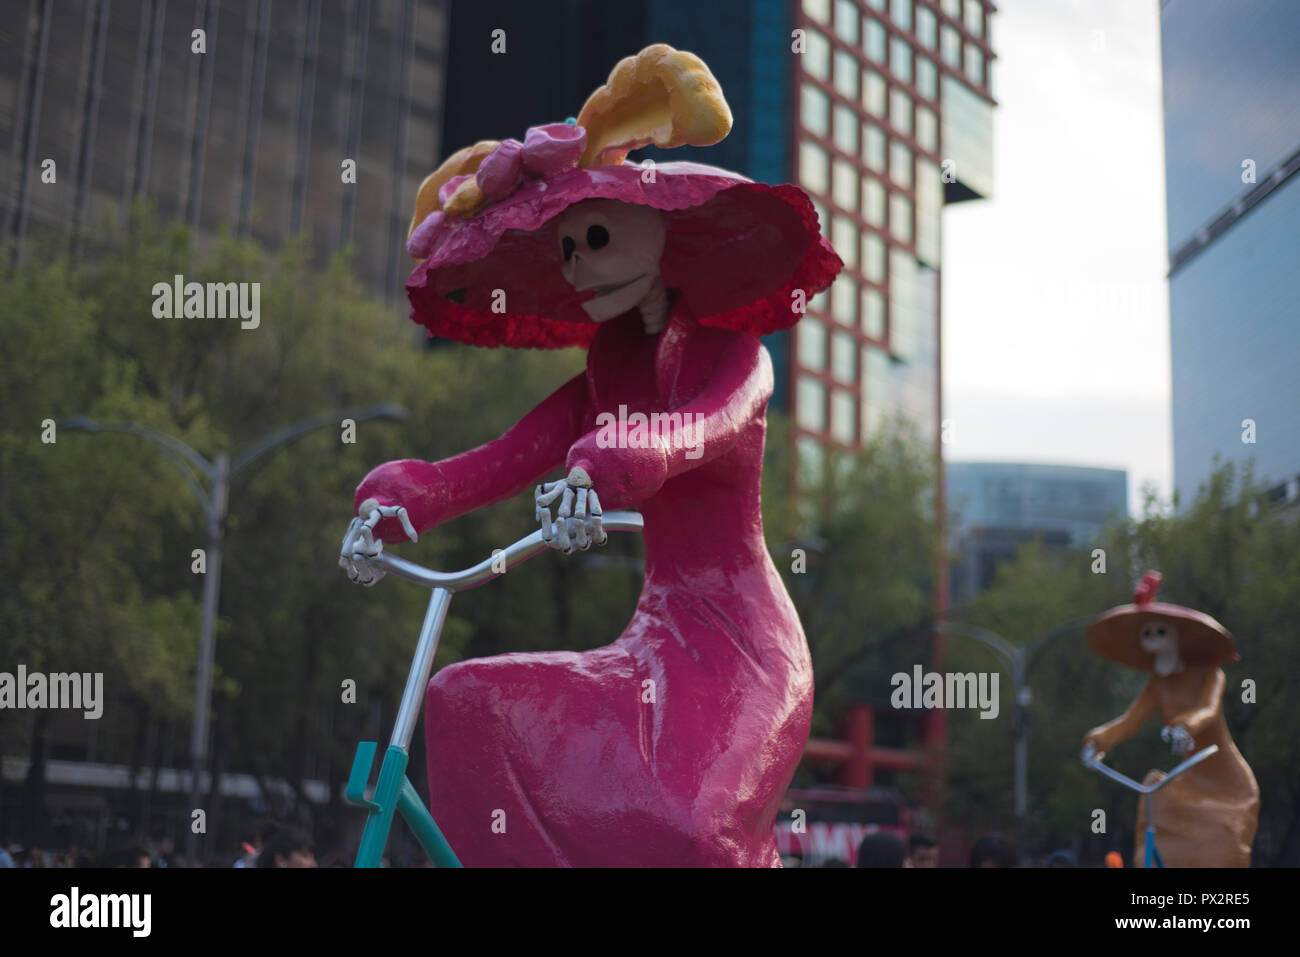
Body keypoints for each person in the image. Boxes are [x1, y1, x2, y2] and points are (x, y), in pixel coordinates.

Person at [340, 43, 842, 867]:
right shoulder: (599, 380)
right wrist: (408, 494)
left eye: (598, 239)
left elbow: (695, 431)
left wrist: (620, 451)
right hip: (653, 640)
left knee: (693, 830)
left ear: (663, 235)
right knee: (464, 699)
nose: (579, 269)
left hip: (747, 648)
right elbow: (497, 460)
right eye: (568, 251)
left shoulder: (735, 359)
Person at [1083, 571, 1259, 867]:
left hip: (1227, 780)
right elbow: (1129, 721)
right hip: (1189, 777)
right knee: (1154, 796)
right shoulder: (1157, 685)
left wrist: (1185, 725)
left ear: (1178, 637)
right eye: (1147, 634)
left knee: (1222, 849)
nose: (1152, 639)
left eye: (1160, 632)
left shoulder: (1210, 674)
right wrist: (1097, 740)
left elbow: (1207, 710)